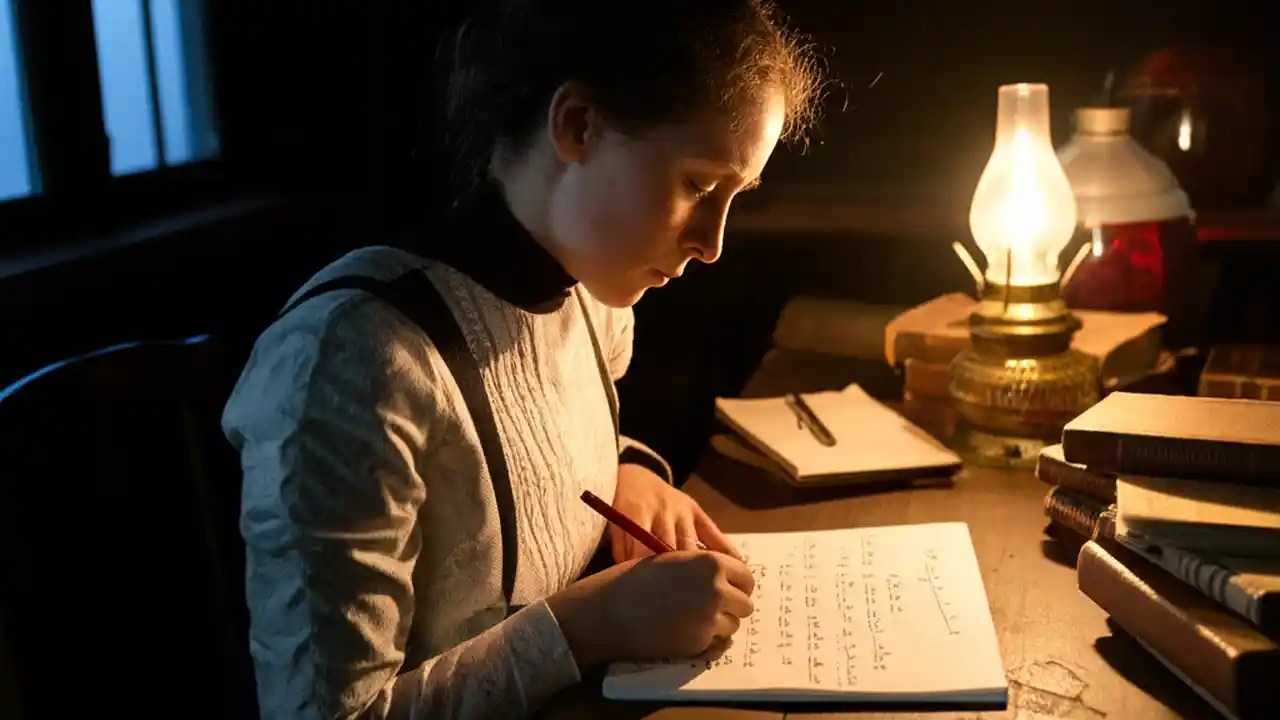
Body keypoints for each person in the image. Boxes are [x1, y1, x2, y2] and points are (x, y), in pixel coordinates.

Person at [221, 2, 821, 718]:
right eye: (698, 185)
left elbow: (535, 441)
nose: (713, 242)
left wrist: (629, 469)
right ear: (577, 126)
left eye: (734, 196)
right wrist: (595, 623)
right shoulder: (351, 363)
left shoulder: (594, 296)